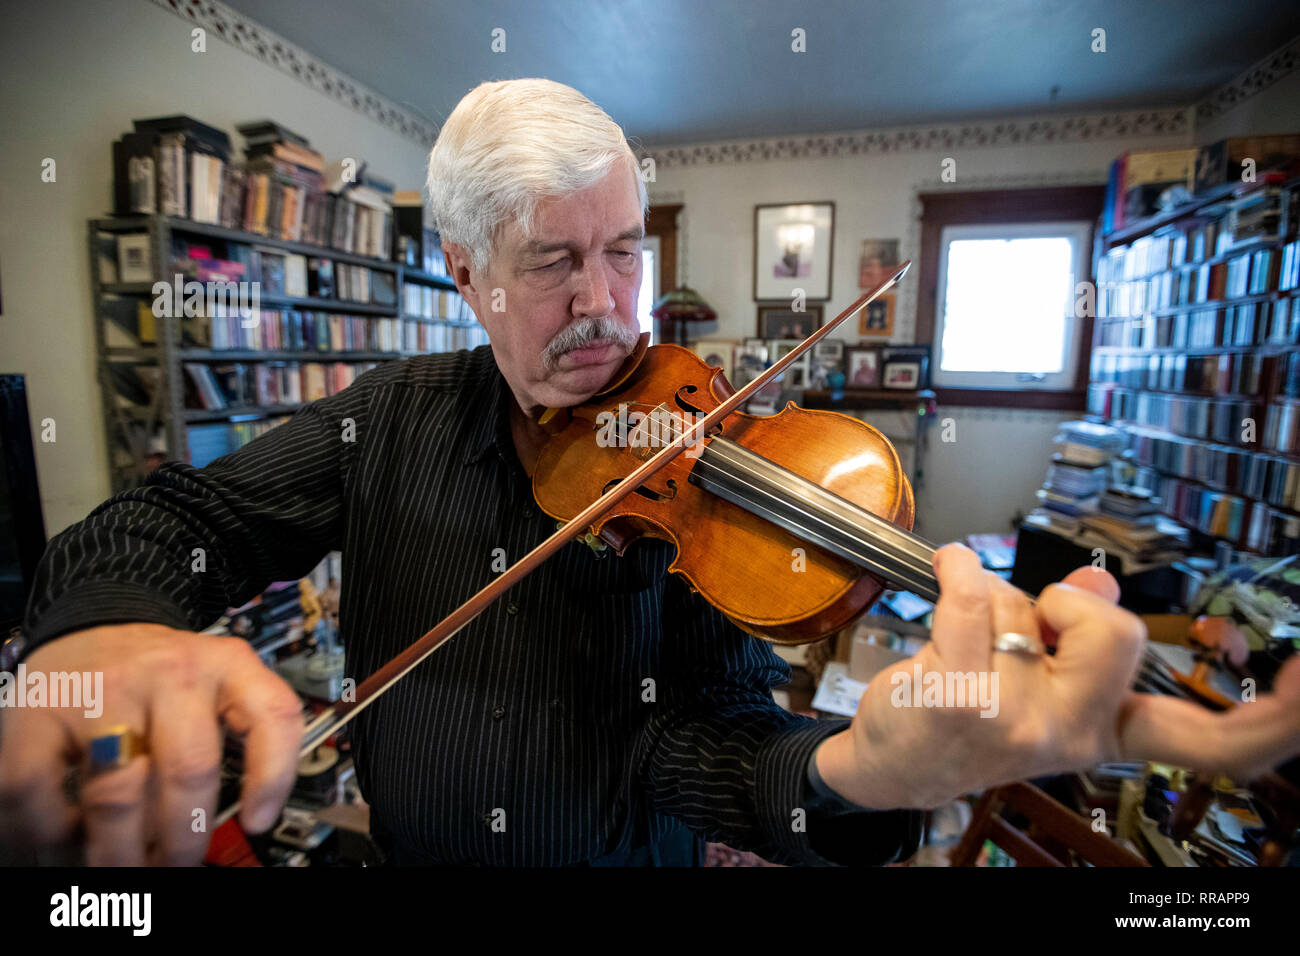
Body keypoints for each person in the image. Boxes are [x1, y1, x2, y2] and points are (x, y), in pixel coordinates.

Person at [3, 79, 1299, 867]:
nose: (611, 308)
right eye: (555, 262)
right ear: (464, 272)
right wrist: (106, 628)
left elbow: (719, 753)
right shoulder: (387, 415)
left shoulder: (698, 450)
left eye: (624, 250)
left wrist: (868, 775)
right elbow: (182, 516)